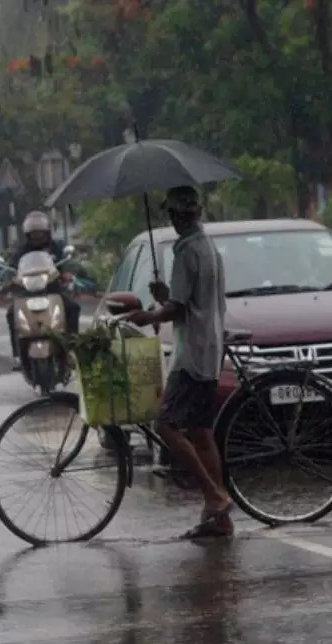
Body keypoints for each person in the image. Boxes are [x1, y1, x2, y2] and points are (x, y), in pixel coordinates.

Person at [126, 186, 233, 539]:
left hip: (191, 356)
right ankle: (219, 520)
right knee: (201, 433)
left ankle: (214, 497)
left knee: (166, 425)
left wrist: (150, 314)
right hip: (209, 347)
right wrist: (166, 297)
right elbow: (188, 298)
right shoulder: (207, 246)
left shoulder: (187, 251)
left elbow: (179, 309)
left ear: (175, 216)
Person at [6, 210, 81, 371]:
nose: (37, 237)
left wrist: (67, 272)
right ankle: (18, 355)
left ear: (47, 232)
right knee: (11, 314)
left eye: (40, 233)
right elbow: (11, 267)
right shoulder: (22, 251)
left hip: (53, 289)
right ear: (27, 235)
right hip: (27, 292)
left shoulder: (57, 247)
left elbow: (67, 262)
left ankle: (73, 348)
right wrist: (9, 279)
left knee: (73, 308)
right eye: (34, 234)